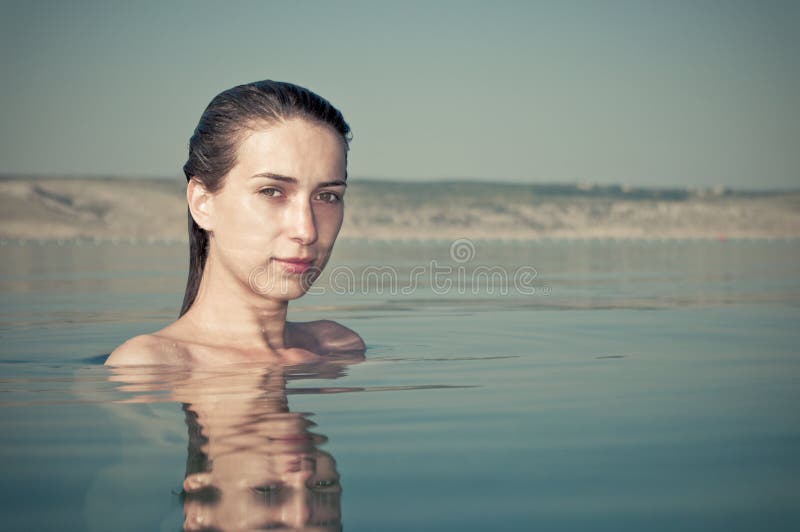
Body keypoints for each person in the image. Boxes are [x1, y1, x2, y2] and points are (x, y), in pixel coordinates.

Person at [106, 80, 365, 366]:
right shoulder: (149, 366)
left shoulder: (338, 348)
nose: (306, 231)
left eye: (327, 196)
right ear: (202, 203)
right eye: (271, 191)